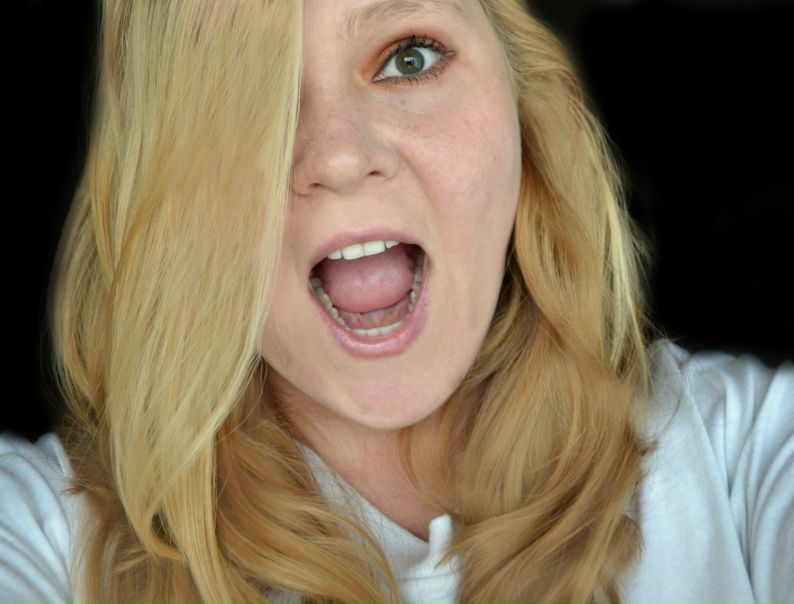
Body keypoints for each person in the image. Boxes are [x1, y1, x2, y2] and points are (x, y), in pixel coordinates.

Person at [1, 0, 792, 602]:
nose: (338, 157)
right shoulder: (44, 536)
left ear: (527, 110)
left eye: (410, 58)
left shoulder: (743, 459)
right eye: (244, 100)